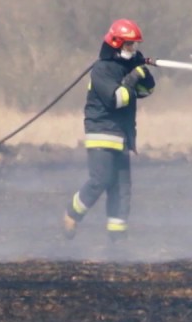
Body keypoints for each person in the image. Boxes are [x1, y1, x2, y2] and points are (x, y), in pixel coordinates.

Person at [63, 18, 156, 242]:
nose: (133, 50)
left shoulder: (126, 66)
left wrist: (142, 73)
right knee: (100, 180)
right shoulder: (102, 69)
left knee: (122, 190)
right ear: (116, 43)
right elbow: (118, 99)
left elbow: (146, 91)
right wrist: (133, 77)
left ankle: (118, 241)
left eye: (135, 46)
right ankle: (72, 215)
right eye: (129, 45)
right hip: (102, 133)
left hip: (122, 136)